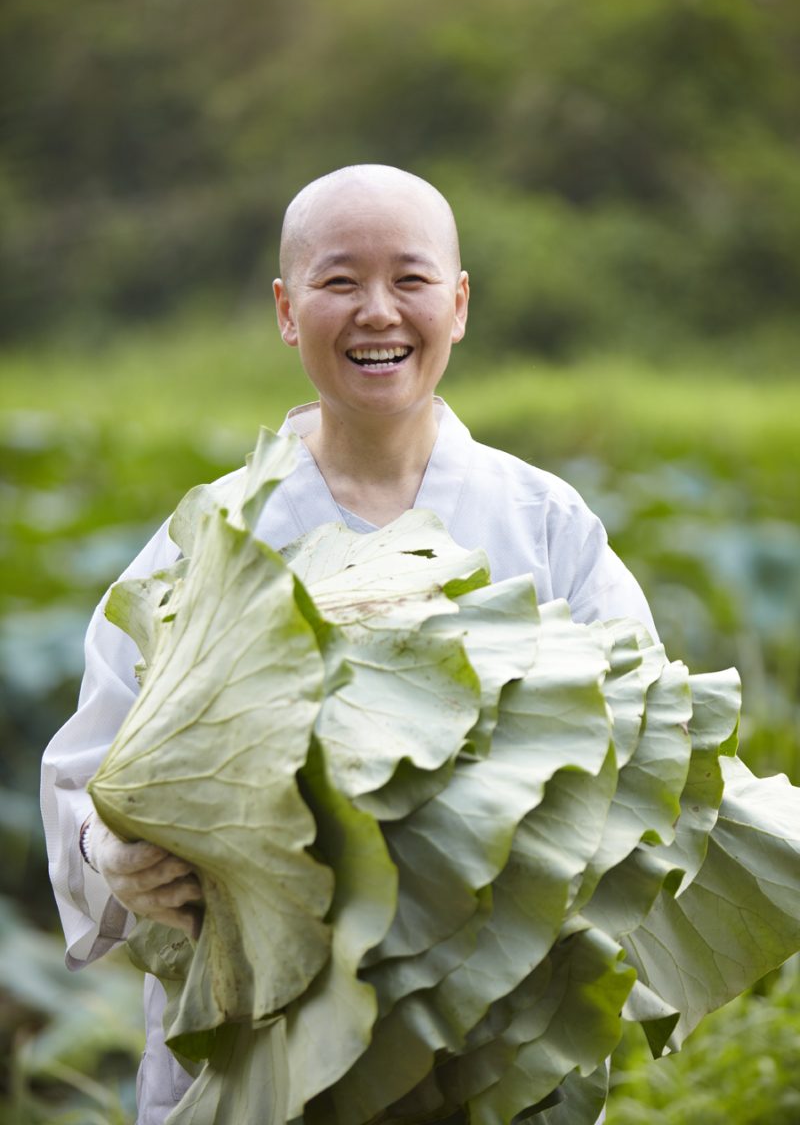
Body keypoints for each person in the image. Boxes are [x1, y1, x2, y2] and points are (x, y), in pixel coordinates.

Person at [41, 164, 655, 1124]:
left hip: (484, 1055)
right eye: (338, 282)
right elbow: (89, 779)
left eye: (410, 281)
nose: (378, 313)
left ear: (458, 306)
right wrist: (109, 850)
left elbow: (645, 750)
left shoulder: (546, 526)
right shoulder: (210, 537)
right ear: (288, 311)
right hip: (249, 1049)